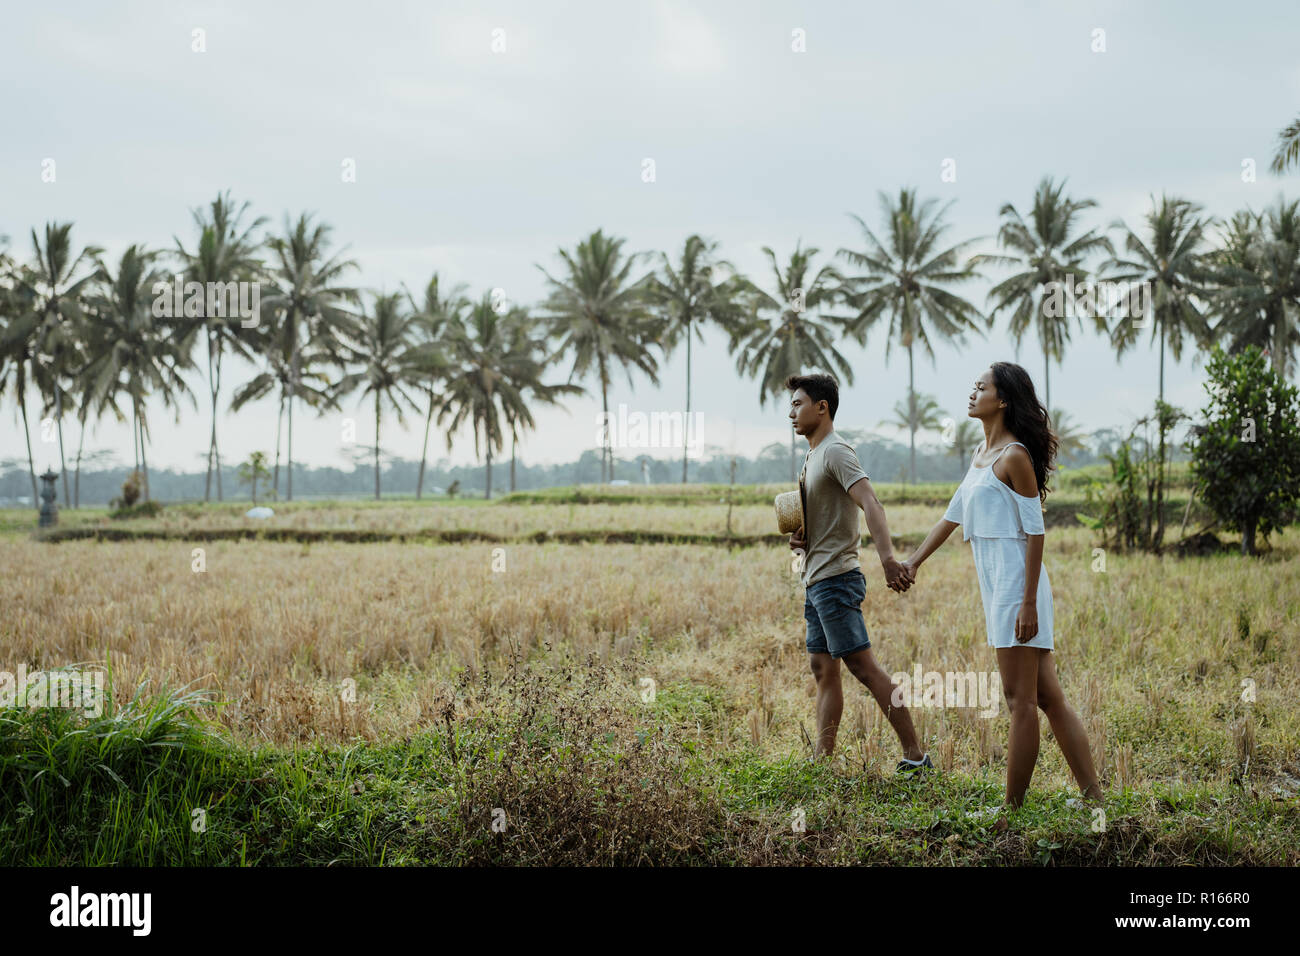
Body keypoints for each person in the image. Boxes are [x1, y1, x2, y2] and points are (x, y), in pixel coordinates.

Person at [902, 362, 1102, 816]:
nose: (972, 393)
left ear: (1003, 400)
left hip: (1017, 588)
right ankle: (1095, 800)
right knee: (1048, 697)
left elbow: (1036, 533)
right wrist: (912, 562)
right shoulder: (981, 454)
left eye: (982, 387)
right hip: (999, 589)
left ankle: (1010, 811)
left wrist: (1028, 602)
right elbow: (951, 517)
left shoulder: (1014, 456)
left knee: (1021, 701)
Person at [784, 373, 930, 774]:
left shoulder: (836, 451)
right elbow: (830, 519)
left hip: (836, 580)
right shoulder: (812, 456)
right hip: (816, 579)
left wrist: (887, 560)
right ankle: (822, 761)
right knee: (823, 668)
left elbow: (871, 503)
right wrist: (804, 539)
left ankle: (916, 757)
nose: (791, 412)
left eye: (798, 404)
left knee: (864, 668)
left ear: (822, 407)